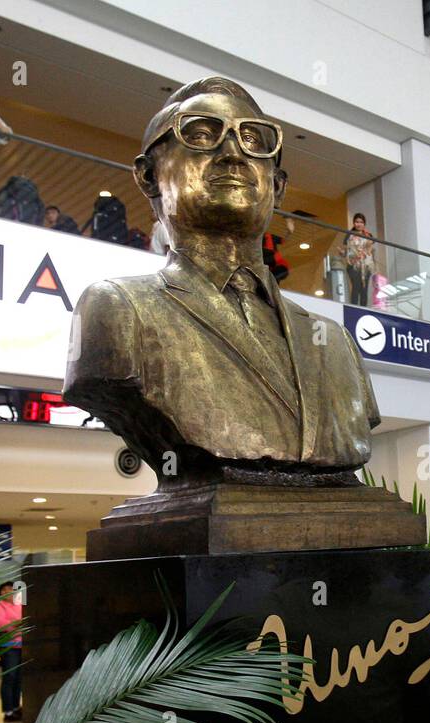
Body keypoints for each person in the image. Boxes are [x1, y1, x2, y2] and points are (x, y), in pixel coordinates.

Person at [65, 77, 381, 488]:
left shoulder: (335, 342)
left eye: (253, 141)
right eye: (200, 135)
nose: (233, 154)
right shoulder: (116, 310)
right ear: (148, 176)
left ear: (278, 186)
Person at [0, 581, 24, 722]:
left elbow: (26, 620)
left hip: (22, 646)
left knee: (19, 679)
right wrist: (17, 623)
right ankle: (8, 711)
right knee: (9, 678)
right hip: (9, 647)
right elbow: (0, 624)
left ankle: (16, 707)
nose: (7, 591)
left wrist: (15, 622)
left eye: (10, 589)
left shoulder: (20, 604)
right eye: (3, 589)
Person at [339, 213, 375, 307]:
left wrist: (366, 251)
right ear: (354, 223)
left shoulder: (368, 235)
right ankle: (354, 308)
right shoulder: (349, 235)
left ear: (364, 223)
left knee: (364, 289)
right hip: (353, 265)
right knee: (356, 287)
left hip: (366, 265)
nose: (359, 224)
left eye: (361, 222)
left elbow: (370, 250)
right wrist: (343, 253)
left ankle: (364, 309)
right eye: (357, 222)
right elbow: (346, 251)